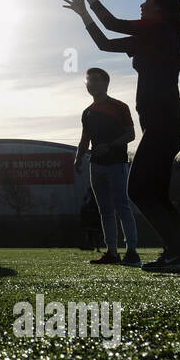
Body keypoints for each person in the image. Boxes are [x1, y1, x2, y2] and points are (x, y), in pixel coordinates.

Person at [63, 0, 180, 273]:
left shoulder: (160, 30)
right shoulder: (151, 38)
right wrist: (84, 15)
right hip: (161, 125)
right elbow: (104, 42)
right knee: (156, 194)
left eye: (147, 1)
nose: (141, 5)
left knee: (138, 190)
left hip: (164, 124)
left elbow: (112, 23)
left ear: (161, 9)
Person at [74, 67, 140, 266]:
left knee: (122, 206)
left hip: (117, 163)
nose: (91, 84)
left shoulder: (119, 107)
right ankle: (111, 252)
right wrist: (78, 159)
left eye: (95, 80)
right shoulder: (87, 112)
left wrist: (110, 146)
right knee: (104, 210)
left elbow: (131, 134)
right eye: (89, 80)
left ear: (105, 83)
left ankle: (132, 252)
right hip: (96, 166)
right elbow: (85, 139)